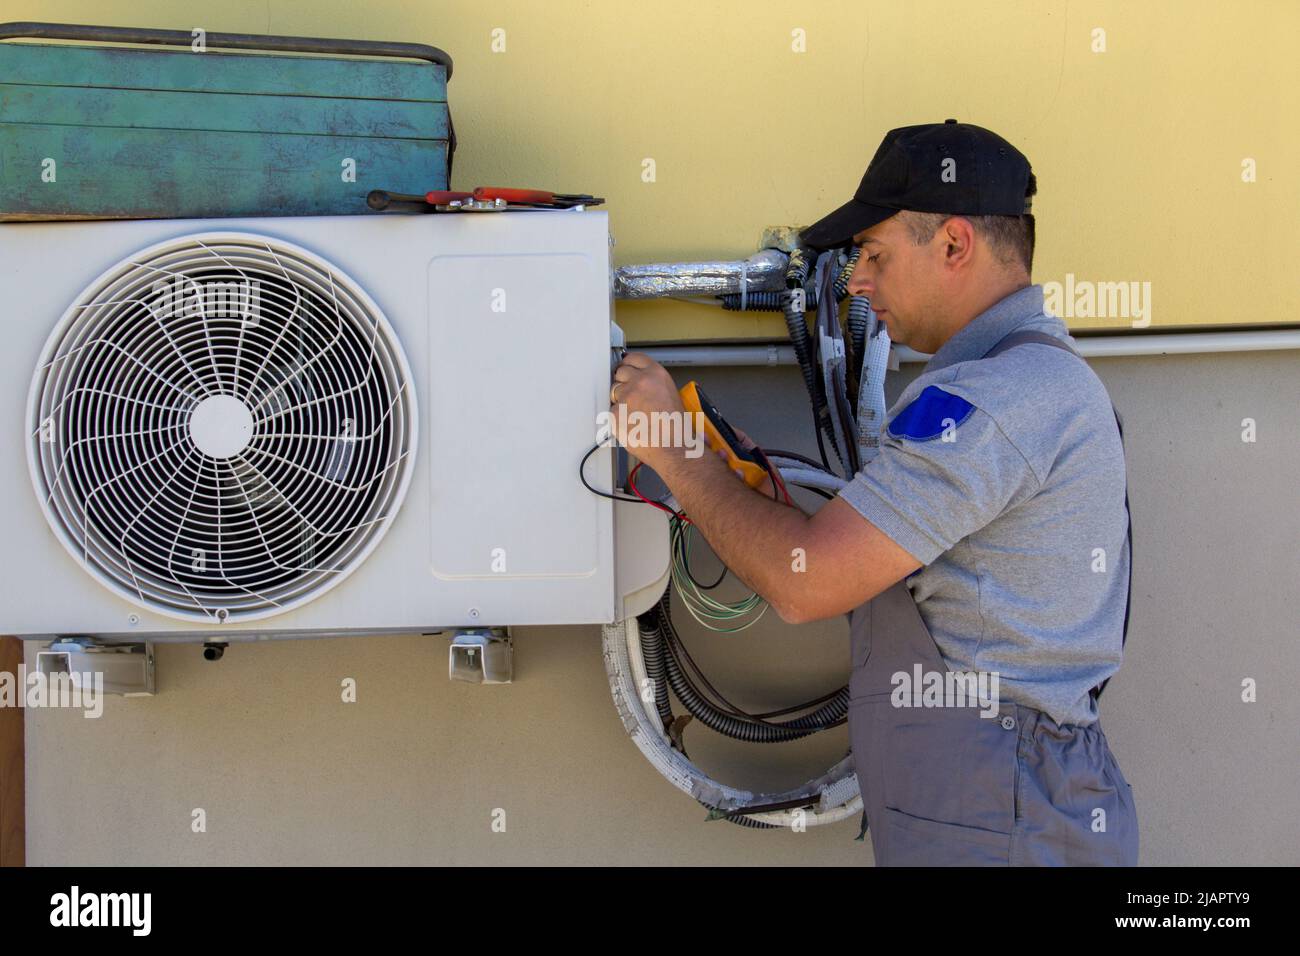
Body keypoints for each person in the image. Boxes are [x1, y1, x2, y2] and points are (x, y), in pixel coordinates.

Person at [609, 120, 1137, 865]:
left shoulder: (992, 403)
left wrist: (675, 451)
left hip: (1001, 808)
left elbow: (808, 583)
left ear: (955, 245)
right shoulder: (1030, 380)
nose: (856, 280)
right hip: (1001, 796)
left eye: (875, 254)